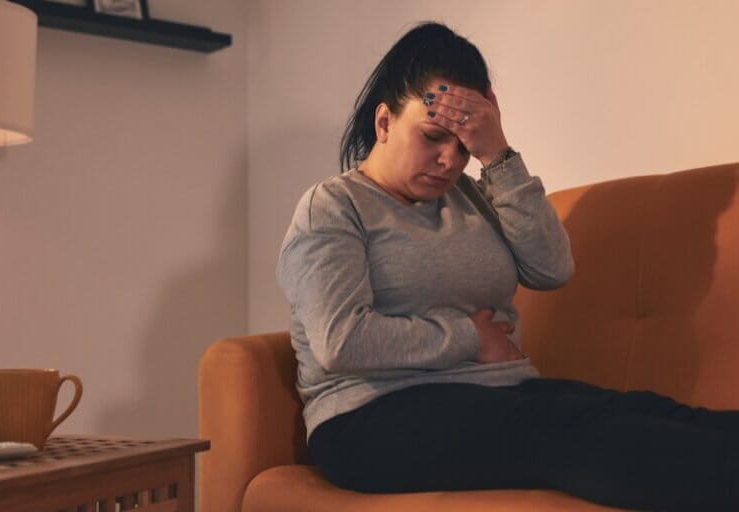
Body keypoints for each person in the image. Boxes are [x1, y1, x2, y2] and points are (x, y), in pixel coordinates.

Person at [276, 21, 739, 511]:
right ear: (385, 122)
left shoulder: (468, 196)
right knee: (568, 431)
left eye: (464, 145)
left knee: (636, 409)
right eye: (433, 136)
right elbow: (340, 341)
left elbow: (552, 269)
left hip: (494, 392)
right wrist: (470, 338)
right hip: (369, 417)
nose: (449, 160)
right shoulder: (334, 206)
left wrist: (496, 154)